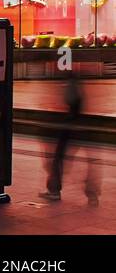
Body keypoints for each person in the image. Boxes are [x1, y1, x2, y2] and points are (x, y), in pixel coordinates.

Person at [43, 72, 80, 201]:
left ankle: (54, 190)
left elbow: (69, 105)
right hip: (68, 130)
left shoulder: (71, 88)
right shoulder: (75, 88)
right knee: (57, 160)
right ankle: (53, 189)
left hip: (66, 130)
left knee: (56, 160)